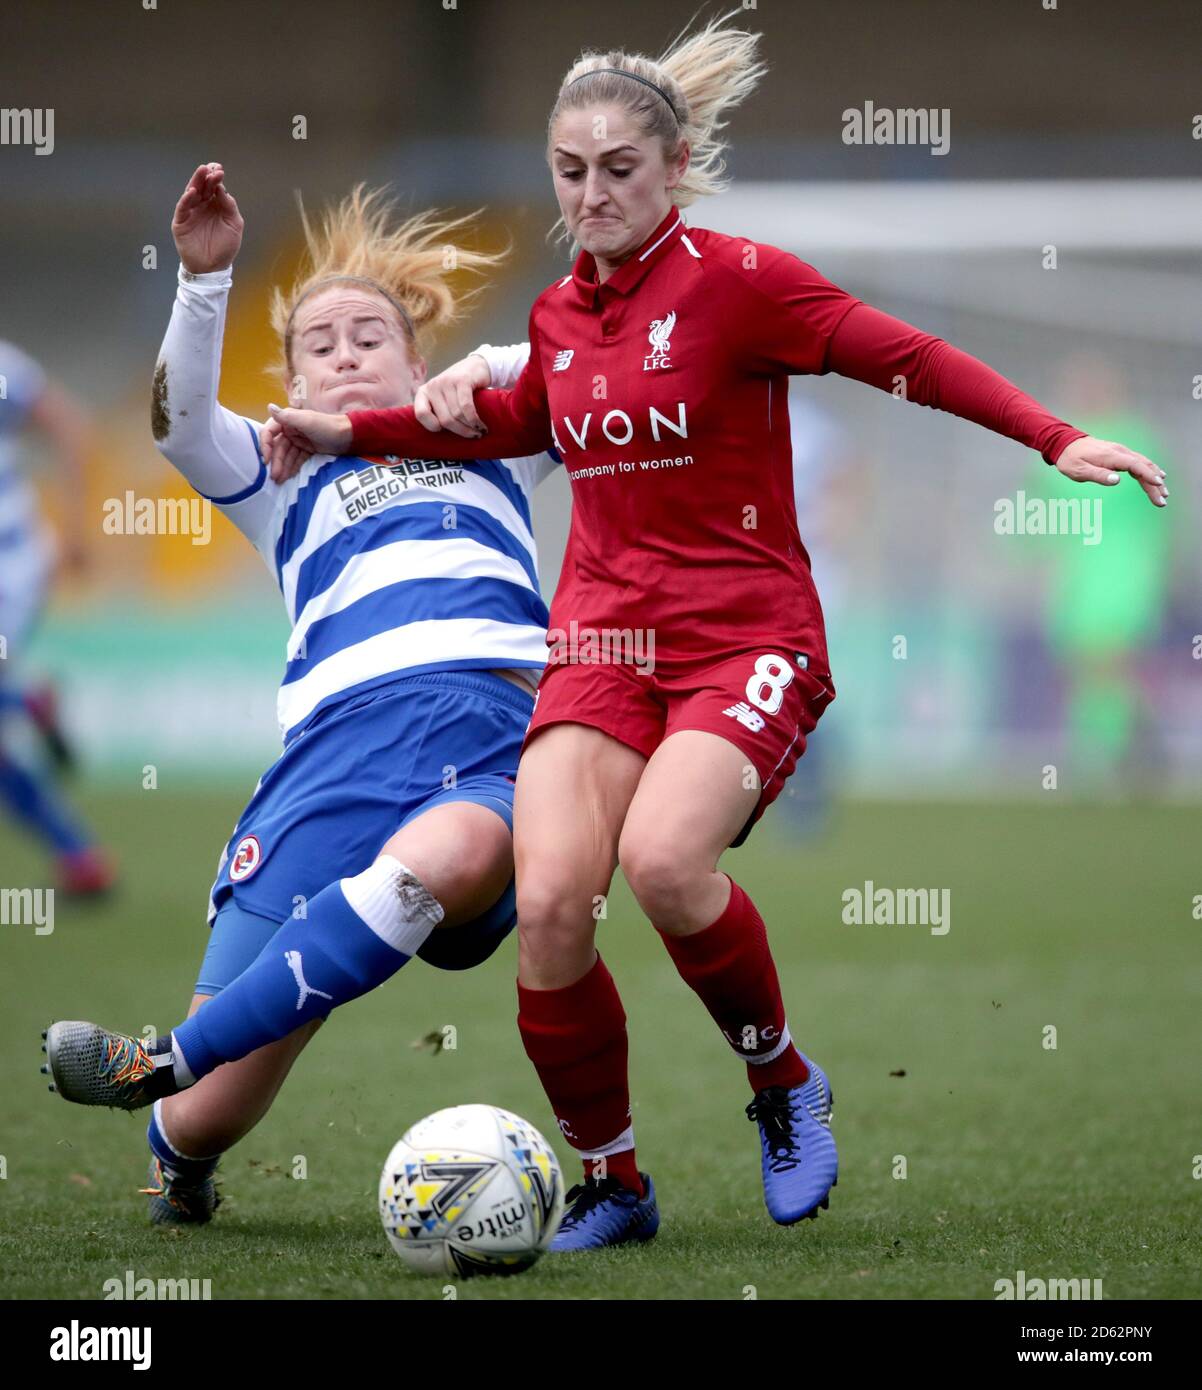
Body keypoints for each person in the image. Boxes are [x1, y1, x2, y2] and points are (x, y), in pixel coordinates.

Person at [257, 14, 1168, 1250]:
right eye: (569, 172)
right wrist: (343, 431)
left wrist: (1053, 438)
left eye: (617, 170)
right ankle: (614, 1184)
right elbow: (505, 420)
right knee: (548, 908)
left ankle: (782, 1082)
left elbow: (900, 355)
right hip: (599, 647)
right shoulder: (559, 320)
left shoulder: (742, 284)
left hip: (746, 640)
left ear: (673, 166)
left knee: (669, 863)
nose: (590, 194)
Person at [42, 163, 558, 1226]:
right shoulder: (278, 470)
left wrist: (481, 375)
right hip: (333, 762)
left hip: (492, 737)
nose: (344, 351)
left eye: (368, 335)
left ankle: (157, 1059)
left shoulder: (487, 433)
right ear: (292, 385)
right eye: (318, 345)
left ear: (416, 358)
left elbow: (584, 358)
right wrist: (203, 279)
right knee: (204, 1117)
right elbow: (179, 426)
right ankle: (176, 1140)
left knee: (458, 851)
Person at [0, 339, 112, 895]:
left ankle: (25, 701)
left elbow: (69, 424)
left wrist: (75, 526)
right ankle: (79, 858)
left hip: (9, 562)